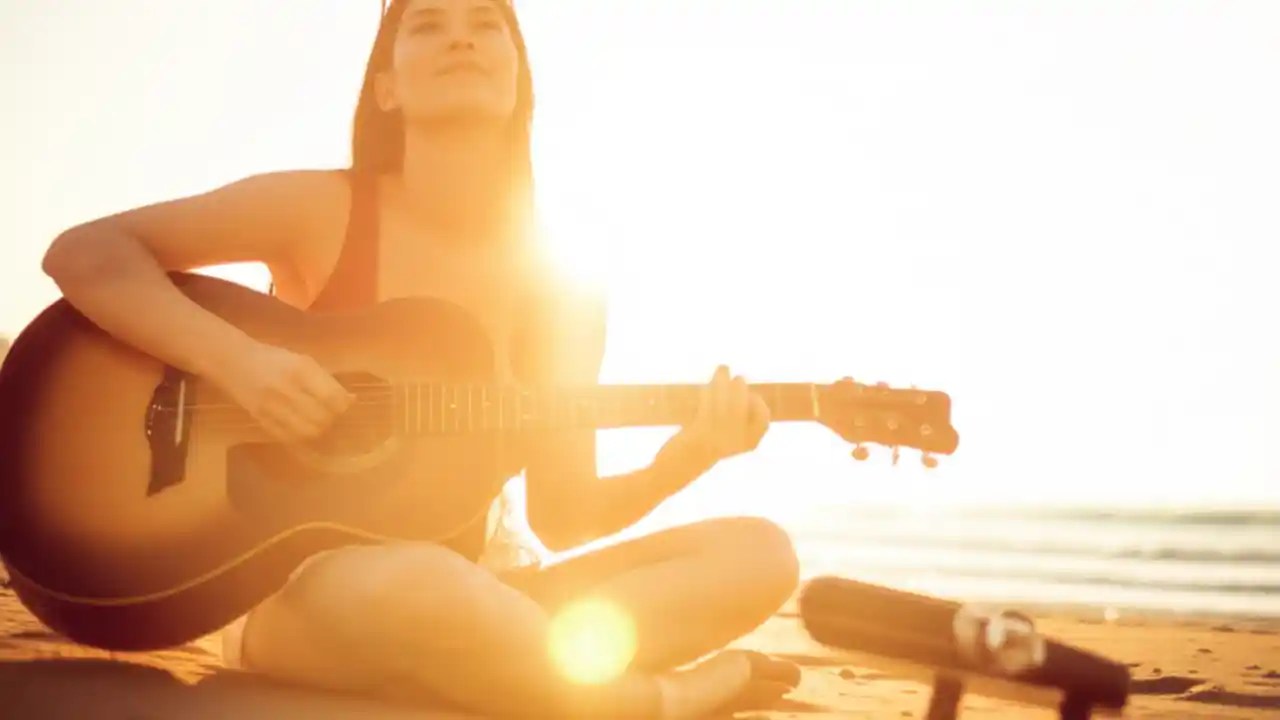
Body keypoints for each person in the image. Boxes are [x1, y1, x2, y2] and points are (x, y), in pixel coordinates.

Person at [40, 0, 801, 717]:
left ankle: (514, 668)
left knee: (760, 554)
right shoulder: (323, 210)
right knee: (414, 588)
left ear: (518, 78)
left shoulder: (562, 287)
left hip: (485, 594)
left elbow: (564, 516)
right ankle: (653, 703)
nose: (462, 37)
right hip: (308, 595)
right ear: (387, 86)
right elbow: (87, 252)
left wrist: (689, 454)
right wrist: (242, 363)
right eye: (428, 24)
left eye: (486, 23)